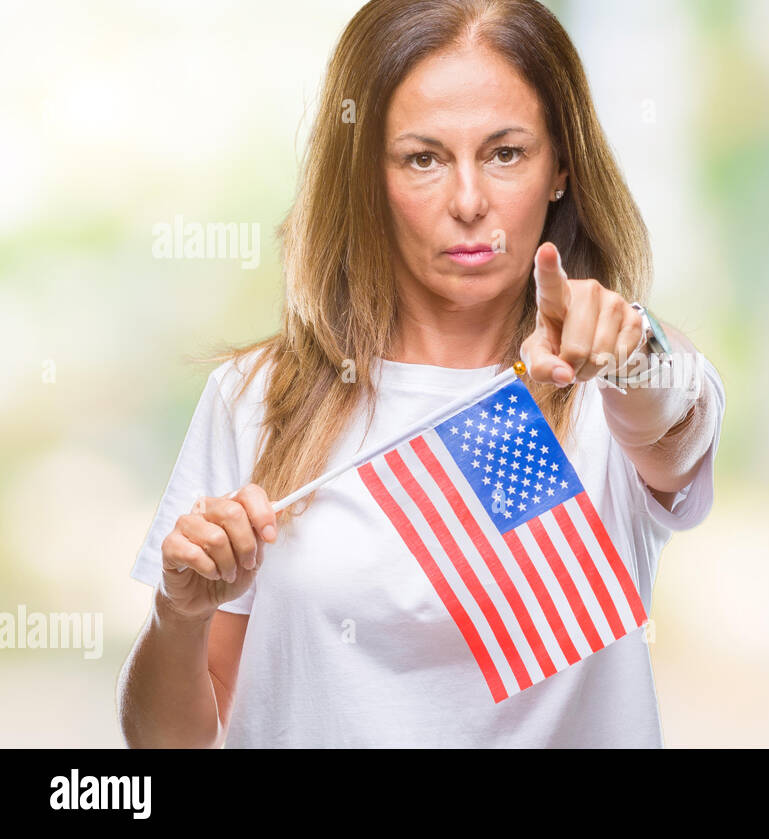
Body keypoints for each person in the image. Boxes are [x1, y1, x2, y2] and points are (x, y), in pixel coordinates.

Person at [116, 0, 724, 748]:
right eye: (423, 158)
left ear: (561, 166)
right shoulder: (257, 399)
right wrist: (178, 615)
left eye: (506, 153)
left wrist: (632, 354)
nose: (469, 203)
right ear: (368, 176)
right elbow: (166, 746)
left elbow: (675, 425)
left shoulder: (611, 381)